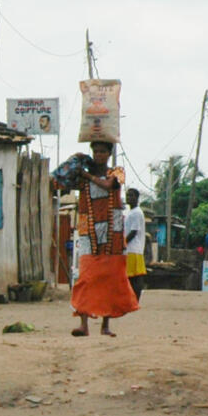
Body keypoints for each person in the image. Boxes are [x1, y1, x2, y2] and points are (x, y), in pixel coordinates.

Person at [65, 141, 138, 337]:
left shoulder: (117, 172)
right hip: (88, 232)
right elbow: (60, 181)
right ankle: (84, 324)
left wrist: (87, 175)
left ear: (109, 153)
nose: (99, 155)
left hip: (112, 232)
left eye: (102, 151)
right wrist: (75, 161)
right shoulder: (81, 178)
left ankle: (105, 324)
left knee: (110, 278)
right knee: (87, 277)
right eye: (95, 151)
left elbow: (108, 186)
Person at [123, 188, 148, 300]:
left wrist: (123, 243)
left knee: (135, 276)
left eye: (131, 196)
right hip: (130, 249)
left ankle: (135, 299)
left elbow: (134, 232)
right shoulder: (129, 212)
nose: (129, 198)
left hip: (134, 248)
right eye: (127, 195)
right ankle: (132, 299)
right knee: (130, 275)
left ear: (137, 198)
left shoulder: (137, 213)